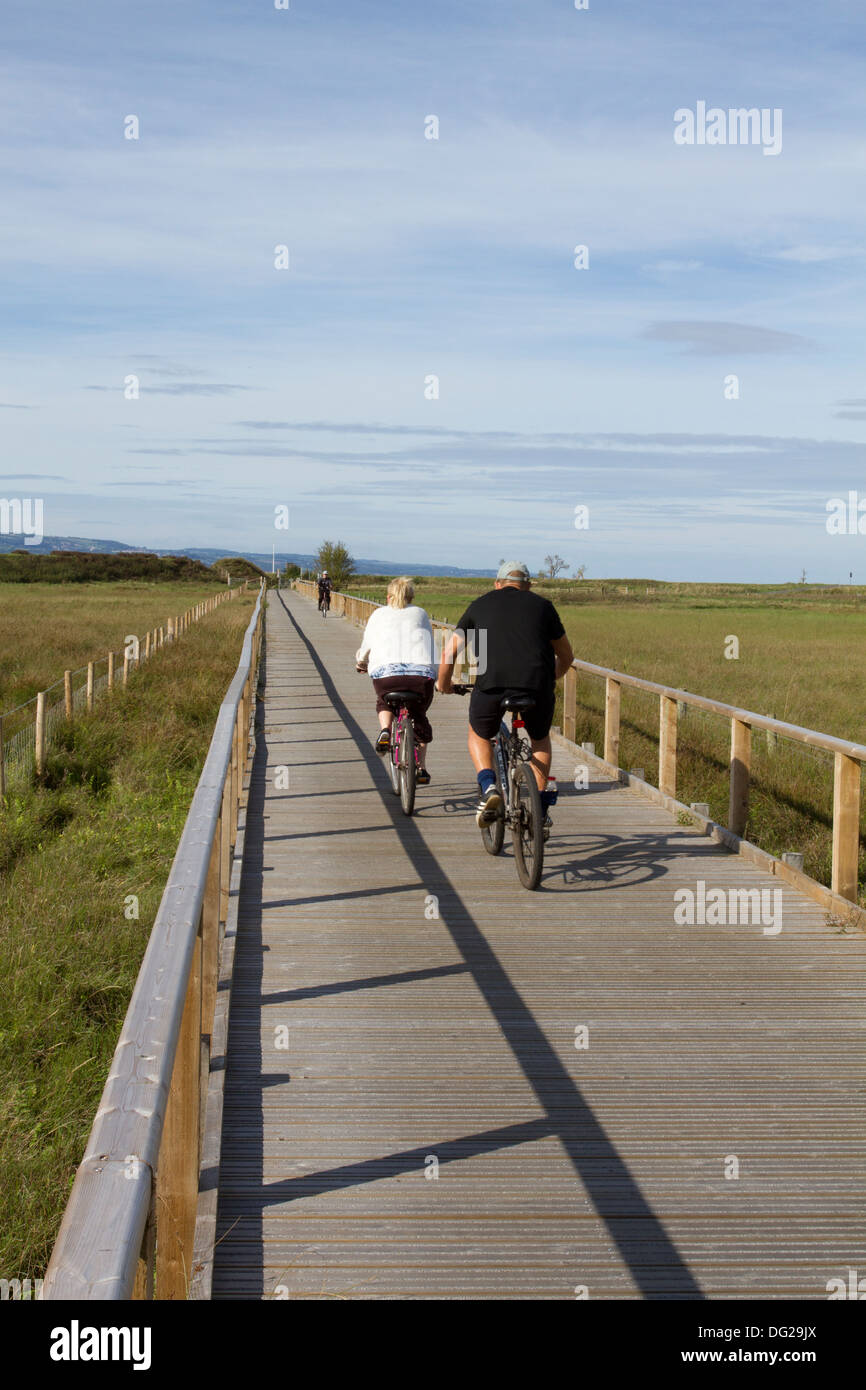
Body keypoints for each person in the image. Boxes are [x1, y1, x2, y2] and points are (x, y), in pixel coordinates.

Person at [437, 560, 574, 830]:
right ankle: (539, 808)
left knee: (478, 733)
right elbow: (567, 656)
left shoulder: (480, 605)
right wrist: (549, 678)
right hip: (537, 687)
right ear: (528, 586)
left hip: (492, 686)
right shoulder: (543, 607)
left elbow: (449, 653)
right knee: (539, 739)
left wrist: (443, 684)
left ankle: (489, 787)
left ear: (497, 585)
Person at [355, 576, 437, 784]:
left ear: (388, 597)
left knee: (384, 701)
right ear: (411, 597)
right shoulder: (420, 613)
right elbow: (431, 645)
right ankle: (421, 768)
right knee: (419, 714)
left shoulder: (378, 614)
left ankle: (385, 730)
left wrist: (361, 663)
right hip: (420, 675)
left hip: (387, 675)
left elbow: (367, 646)